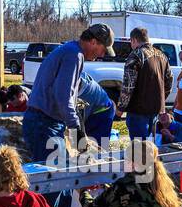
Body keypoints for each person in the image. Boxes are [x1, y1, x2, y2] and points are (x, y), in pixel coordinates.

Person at [23, 24, 115, 162]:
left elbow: (65, 94)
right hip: (44, 124)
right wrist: (75, 128)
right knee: (54, 177)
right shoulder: (74, 55)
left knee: (52, 174)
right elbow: (63, 96)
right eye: (103, 50)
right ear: (94, 42)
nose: (102, 55)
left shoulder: (69, 50)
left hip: (42, 121)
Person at [116, 27, 172, 141]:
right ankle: (148, 159)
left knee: (139, 149)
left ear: (134, 40)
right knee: (149, 146)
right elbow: (169, 80)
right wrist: (161, 100)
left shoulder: (136, 55)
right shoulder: (162, 56)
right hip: (155, 109)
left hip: (138, 110)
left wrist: (121, 107)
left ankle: (141, 159)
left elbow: (128, 85)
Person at [76, 72, 115, 146]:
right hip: (101, 107)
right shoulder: (79, 75)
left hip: (103, 112)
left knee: (98, 148)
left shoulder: (85, 93)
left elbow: (79, 121)